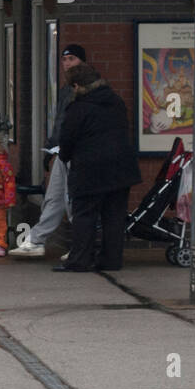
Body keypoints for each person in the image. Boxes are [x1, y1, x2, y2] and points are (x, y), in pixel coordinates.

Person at [55, 62, 141, 272]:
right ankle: (111, 260)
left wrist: (63, 156)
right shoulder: (116, 101)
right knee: (114, 217)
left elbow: (67, 139)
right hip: (121, 167)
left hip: (90, 170)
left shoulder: (78, 108)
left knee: (85, 215)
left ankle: (80, 260)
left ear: (76, 86)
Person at [10, 43, 85, 258]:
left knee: (71, 199)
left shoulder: (83, 89)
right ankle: (36, 240)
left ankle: (79, 245)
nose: (67, 63)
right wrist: (52, 147)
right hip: (61, 149)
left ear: (82, 62)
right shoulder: (65, 90)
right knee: (54, 197)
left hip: (75, 152)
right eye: (64, 60)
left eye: (72, 59)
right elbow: (60, 121)